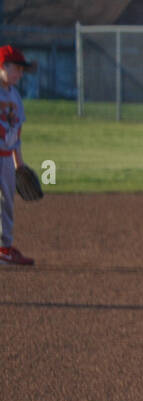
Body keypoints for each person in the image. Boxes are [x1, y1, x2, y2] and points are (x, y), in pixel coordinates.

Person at [0, 45, 35, 267]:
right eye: (17, 68)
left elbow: (16, 133)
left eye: (22, 70)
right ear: (2, 66)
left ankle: (5, 247)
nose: (20, 74)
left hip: (5, 157)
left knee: (7, 202)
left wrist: (19, 164)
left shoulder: (16, 97)